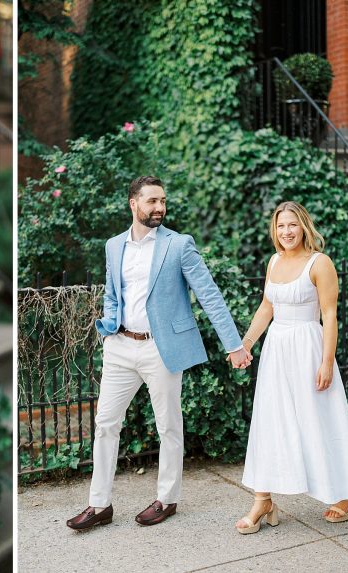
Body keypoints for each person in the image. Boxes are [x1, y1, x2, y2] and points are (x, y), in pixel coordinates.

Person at [66, 175, 252, 530]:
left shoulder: (179, 245)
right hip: (121, 346)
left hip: (160, 348)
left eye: (163, 201)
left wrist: (234, 344)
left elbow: (209, 294)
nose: (160, 208)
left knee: (168, 426)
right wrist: (108, 328)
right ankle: (99, 505)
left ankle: (167, 499)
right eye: (152, 201)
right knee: (106, 424)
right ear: (133, 204)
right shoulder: (113, 245)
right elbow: (111, 292)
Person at [235, 201, 348, 534]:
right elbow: (267, 307)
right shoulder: (274, 261)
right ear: (275, 230)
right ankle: (263, 499)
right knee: (270, 421)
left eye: (292, 225)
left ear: (304, 226)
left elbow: (330, 316)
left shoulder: (319, 263)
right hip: (276, 351)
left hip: (309, 350)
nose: (286, 232)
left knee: (323, 420)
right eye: (281, 226)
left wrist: (326, 362)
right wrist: (247, 343)